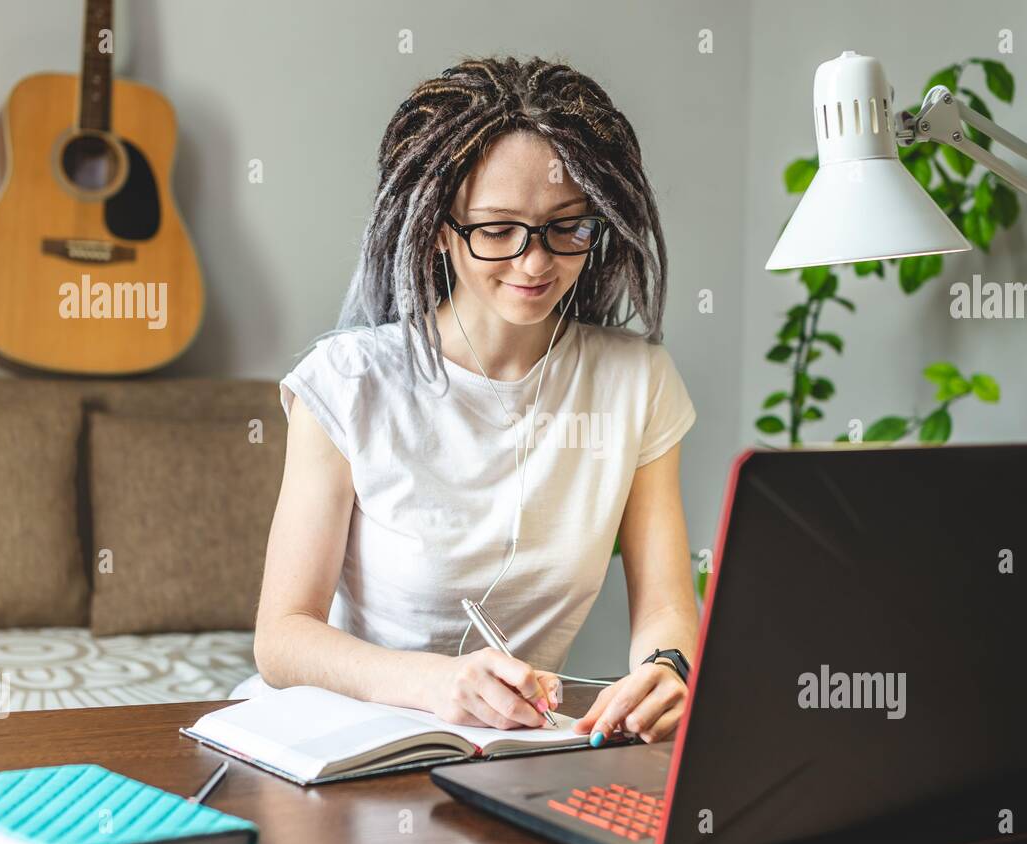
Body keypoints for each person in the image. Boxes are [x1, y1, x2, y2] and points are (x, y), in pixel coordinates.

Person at [242, 55, 698, 746]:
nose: (535, 263)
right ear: (436, 228)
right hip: (343, 745)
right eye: (497, 230)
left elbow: (665, 603)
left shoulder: (638, 383)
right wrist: (435, 683)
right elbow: (282, 639)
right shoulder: (348, 383)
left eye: (567, 226)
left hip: (518, 752)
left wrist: (666, 669)